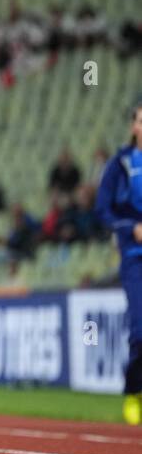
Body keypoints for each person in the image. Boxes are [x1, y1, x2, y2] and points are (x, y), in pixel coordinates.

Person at [93, 100, 142, 425]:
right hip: (135, 257)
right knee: (140, 329)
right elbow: (102, 209)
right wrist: (131, 228)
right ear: (133, 126)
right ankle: (134, 393)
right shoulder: (121, 163)